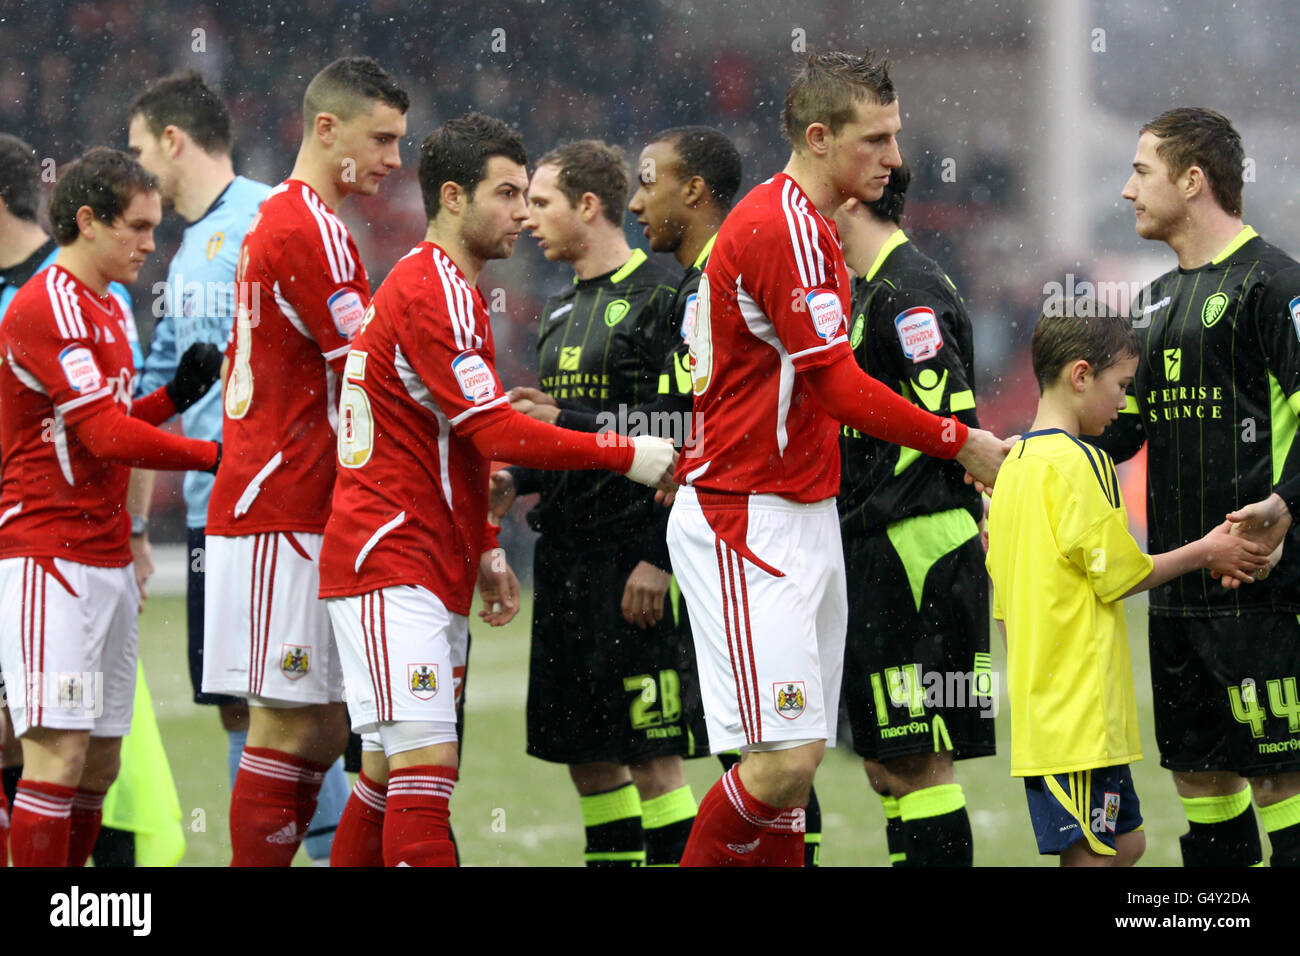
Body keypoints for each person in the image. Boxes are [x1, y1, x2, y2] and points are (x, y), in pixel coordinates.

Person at [664, 50, 1009, 867]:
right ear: (819, 138)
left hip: (802, 514)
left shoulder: (812, 225)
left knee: (795, 773)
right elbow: (838, 388)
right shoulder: (780, 225)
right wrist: (964, 443)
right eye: (877, 139)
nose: (895, 158)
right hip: (748, 519)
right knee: (783, 767)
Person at [318, 112, 676, 866]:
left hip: (414, 559)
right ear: (453, 197)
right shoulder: (432, 289)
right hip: (392, 561)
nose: (521, 211)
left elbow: (461, 442)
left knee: (385, 781)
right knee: (423, 779)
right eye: (508, 193)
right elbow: (499, 434)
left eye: (527, 195)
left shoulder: (451, 289)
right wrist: (626, 453)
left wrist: (483, 545)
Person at [201, 56, 407, 866]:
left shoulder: (295, 221)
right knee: (289, 721)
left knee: (322, 722)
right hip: (275, 506)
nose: (394, 160)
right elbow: (364, 374)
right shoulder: (305, 228)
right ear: (329, 129)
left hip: (296, 502)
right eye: (382, 139)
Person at [0, 147, 221, 867]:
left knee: (99, 765)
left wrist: (173, 401)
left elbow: (110, 419)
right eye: (137, 227)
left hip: (104, 561)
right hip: (47, 560)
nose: (150, 244)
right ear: (86, 221)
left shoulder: (110, 304)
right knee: (56, 758)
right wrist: (214, 452)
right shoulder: (43, 305)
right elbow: (100, 433)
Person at [1091, 107, 1300, 866]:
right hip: (1179, 595)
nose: (1126, 190)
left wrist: (1283, 506)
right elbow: (1123, 431)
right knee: (1203, 789)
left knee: (1283, 787)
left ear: (1192, 180)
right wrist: (1032, 454)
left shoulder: (1275, 284)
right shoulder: (1151, 302)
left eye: (1141, 171)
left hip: (1265, 591)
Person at [987, 304, 1268, 865]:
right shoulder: (1082, 462)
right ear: (1081, 375)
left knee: (1125, 843)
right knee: (1095, 854)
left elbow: (1002, 596)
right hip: (1078, 714)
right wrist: (1208, 550)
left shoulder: (1013, 462)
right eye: (1121, 386)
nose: (1124, 403)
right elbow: (1122, 575)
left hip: (1052, 708)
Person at [491, 139, 694, 867]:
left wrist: (658, 556)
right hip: (567, 559)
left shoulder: (665, 301)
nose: (526, 219)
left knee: (653, 759)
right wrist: (522, 472)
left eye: (539, 203)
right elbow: (580, 442)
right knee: (588, 759)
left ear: (587, 205)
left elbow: (683, 437)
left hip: (631, 561)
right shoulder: (555, 313)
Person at [834, 162, 993, 866]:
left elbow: (954, 424)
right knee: (885, 765)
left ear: (848, 199)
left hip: (916, 550)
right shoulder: (871, 290)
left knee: (917, 760)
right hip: (879, 549)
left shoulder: (909, 290)